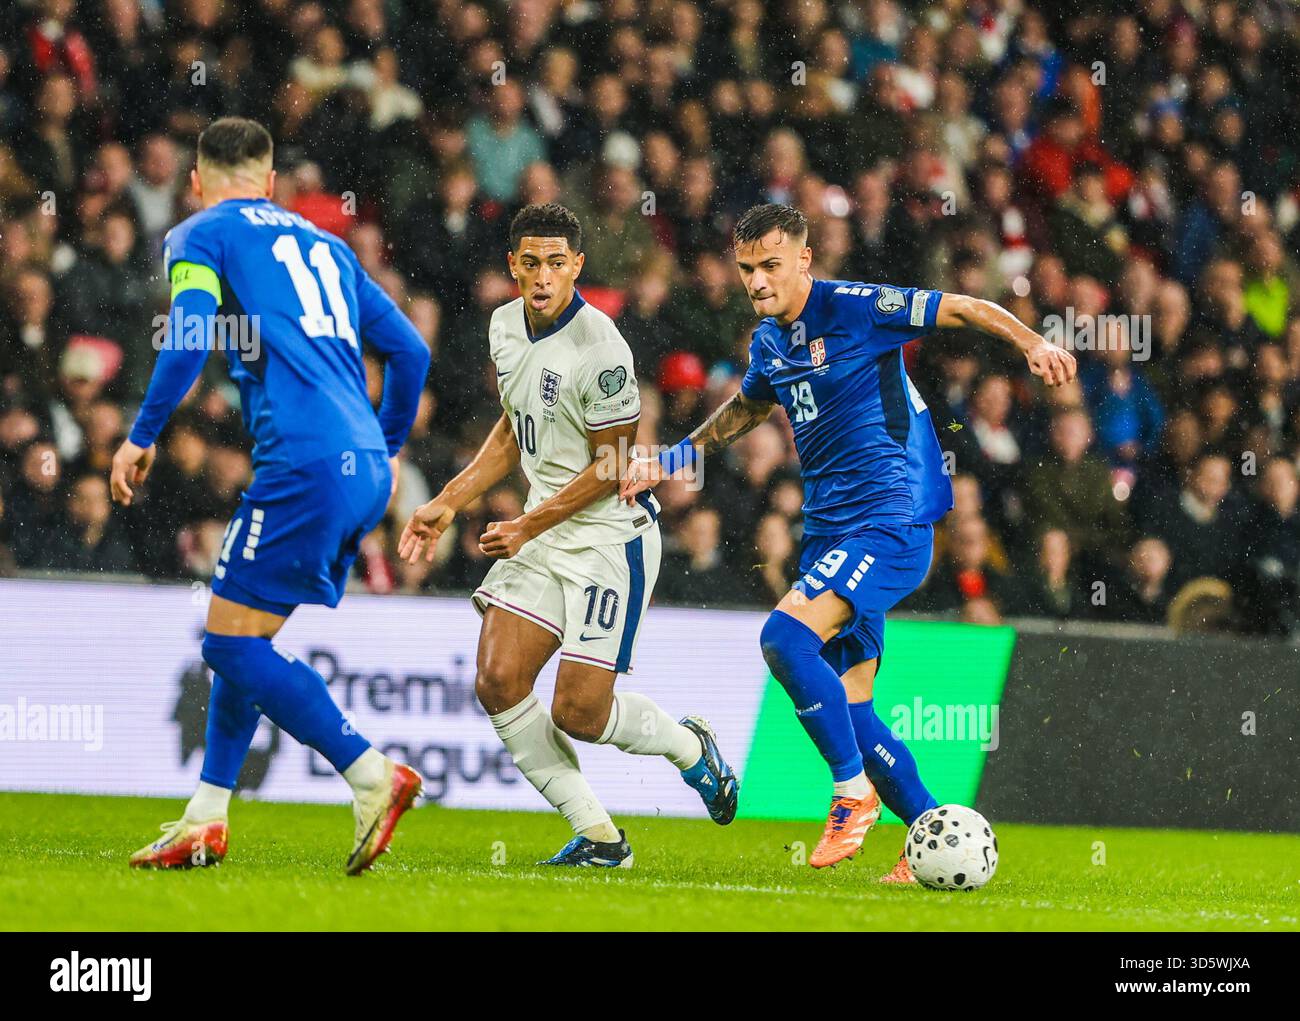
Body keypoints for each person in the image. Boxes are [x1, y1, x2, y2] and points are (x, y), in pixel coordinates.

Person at [622, 203, 1076, 876]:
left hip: (889, 522)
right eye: (747, 268)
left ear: (804, 259)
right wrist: (673, 458)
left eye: (771, 265)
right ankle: (932, 831)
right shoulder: (771, 341)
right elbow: (749, 405)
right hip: (832, 529)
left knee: (783, 638)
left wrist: (1031, 342)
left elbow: (963, 306)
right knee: (854, 709)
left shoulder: (859, 307)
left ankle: (850, 793)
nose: (757, 281)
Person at [110, 117, 431, 873]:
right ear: (271, 179)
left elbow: (188, 339)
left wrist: (143, 432)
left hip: (302, 460)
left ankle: (371, 773)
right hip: (359, 465)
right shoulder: (329, 245)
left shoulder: (200, 236)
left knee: (227, 643)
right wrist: (380, 449)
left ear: (197, 179)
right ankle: (207, 816)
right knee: (240, 635)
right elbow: (411, 350)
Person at [398, 203, 736, 868]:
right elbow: (512, 425)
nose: (543, 274)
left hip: (609, 541)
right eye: (531, 262)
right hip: (544, 534)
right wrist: (445, 500)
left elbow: (612, 468)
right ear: (513, 267)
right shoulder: (503, 325)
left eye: (556, 262)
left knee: (580, 711)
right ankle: (600, 835)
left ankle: (690, 747)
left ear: (577, 266)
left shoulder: (602, 349)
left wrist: (526, 522)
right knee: (497, 678)